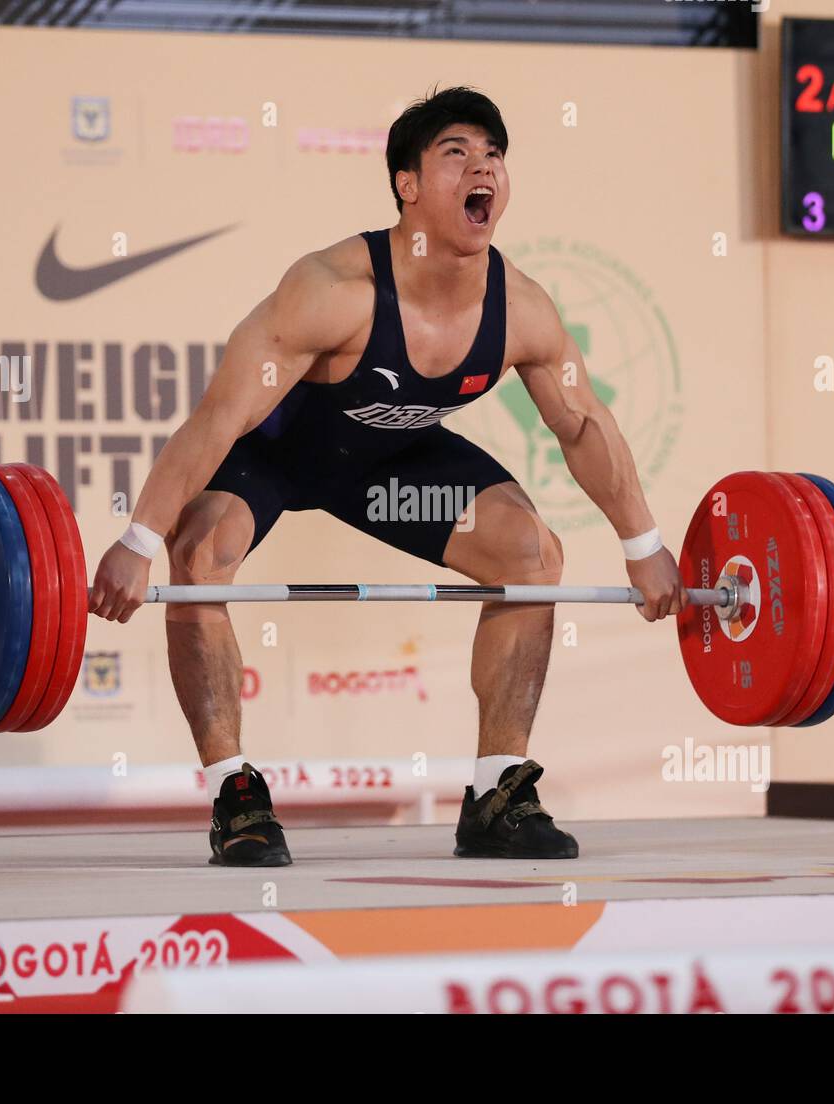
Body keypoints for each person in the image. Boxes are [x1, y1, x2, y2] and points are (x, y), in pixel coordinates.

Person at [89, 87, 686, 866]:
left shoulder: (520, 311)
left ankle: (498, 793)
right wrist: (138, 538)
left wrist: (643, 543)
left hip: (387, 470)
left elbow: (583, 426)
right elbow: (218, 421)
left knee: (531, 556)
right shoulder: (333, 291)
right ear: (408, 185)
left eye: (494, 156)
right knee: (200, 555)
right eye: (457, 155)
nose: (483, 169)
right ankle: (236, 795)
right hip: (275, 452)